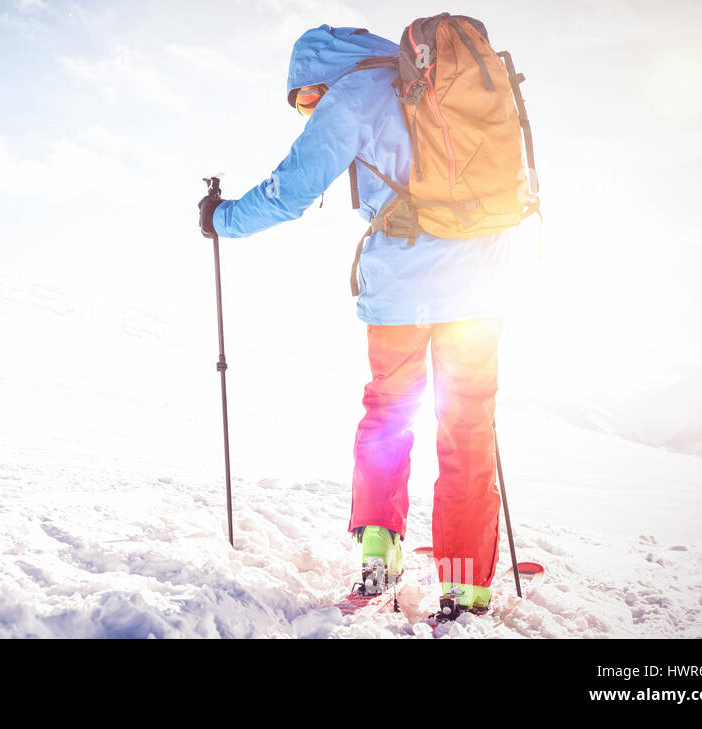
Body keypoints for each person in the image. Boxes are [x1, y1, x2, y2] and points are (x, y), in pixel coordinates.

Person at [197, 25, 513, 619]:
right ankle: (467, 588)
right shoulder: (421, 83)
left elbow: (290, 192)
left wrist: (223, 220)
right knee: (469, 425)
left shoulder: (354, 94)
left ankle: (379, 562)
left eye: (305, 97)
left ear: (322, 75)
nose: (307, 110)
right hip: (481, 280)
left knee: (390, 416)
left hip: (403, 288)